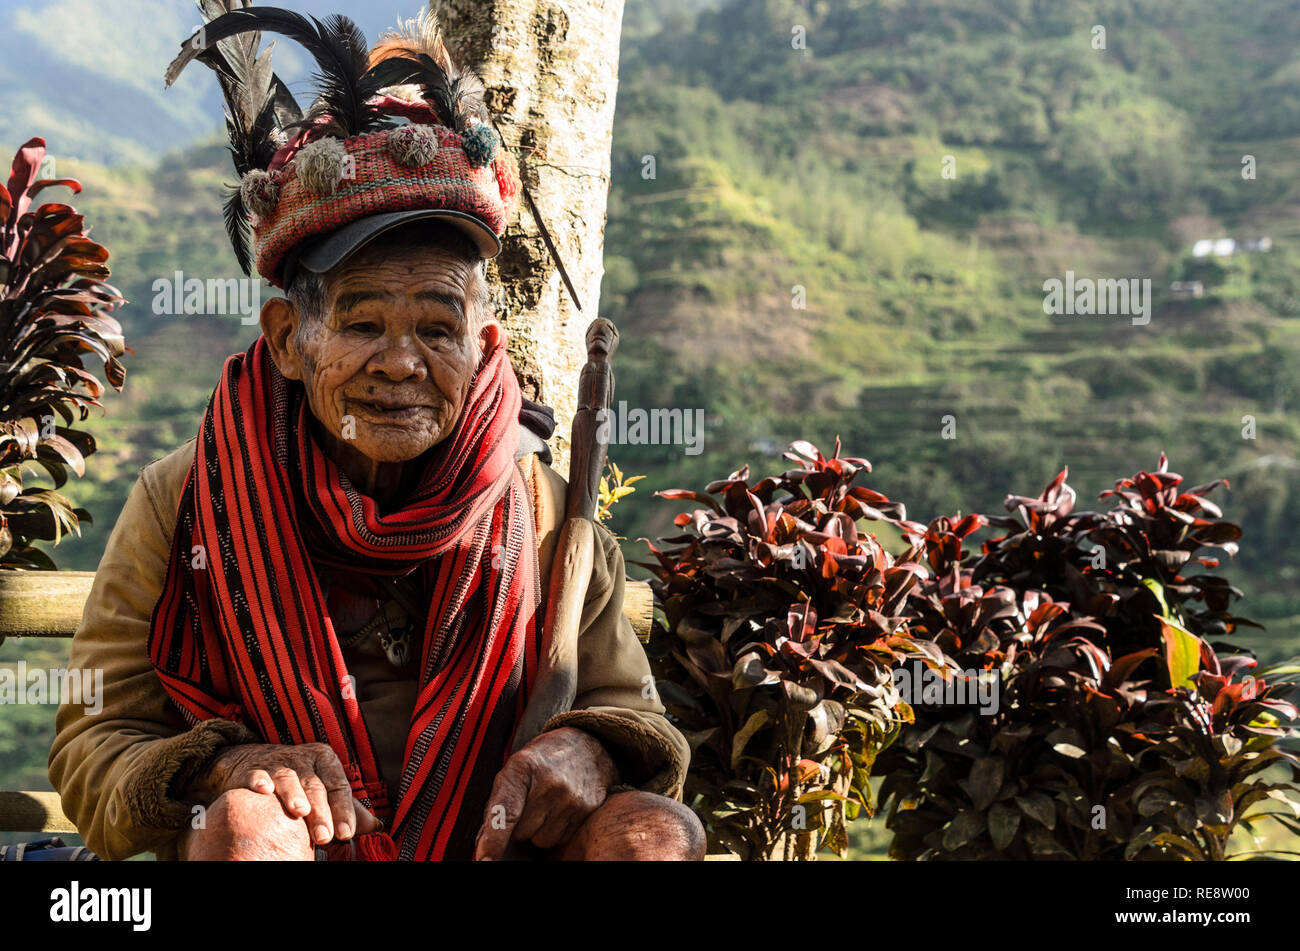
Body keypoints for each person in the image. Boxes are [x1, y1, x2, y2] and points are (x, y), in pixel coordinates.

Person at [47, 5, 703, 862]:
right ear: (287, 338)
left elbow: (638, 721)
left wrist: (590, 746)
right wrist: (226, 769)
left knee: (656, 833)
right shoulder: (186, 500)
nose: (401, 364)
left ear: (481, 343)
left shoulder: (540, 511)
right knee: (246, 829)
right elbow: (94, 744)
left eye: (437, 328)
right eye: (362, 324)